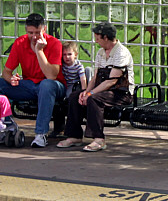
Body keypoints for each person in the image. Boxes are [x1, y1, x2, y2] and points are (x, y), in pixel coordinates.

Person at [0, 12, 66, 148]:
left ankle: (41, 134)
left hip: (53, 86)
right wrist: (11, 79)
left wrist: (39, 51)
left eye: (37, 33)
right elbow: (6, 72)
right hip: (29, 85)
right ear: (26, 30)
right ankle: (8, 127)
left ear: (44, 29)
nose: (34, 37)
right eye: (31, 33)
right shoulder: (20, 42)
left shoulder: (54, 44)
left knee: (46, 85)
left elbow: (51, 76)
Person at [57, 23, 134, 152]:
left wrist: (90, 94)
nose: (96, 41)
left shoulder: (121, 53)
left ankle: (99, 139)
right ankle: (74, 136)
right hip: (103, 90)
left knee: (94, 99)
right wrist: (85, 92)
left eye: (97, 38)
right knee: (75, 97)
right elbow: (95, 77)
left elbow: (112, 81)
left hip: (121, 93)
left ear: (105, 37)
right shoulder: (100, 52)